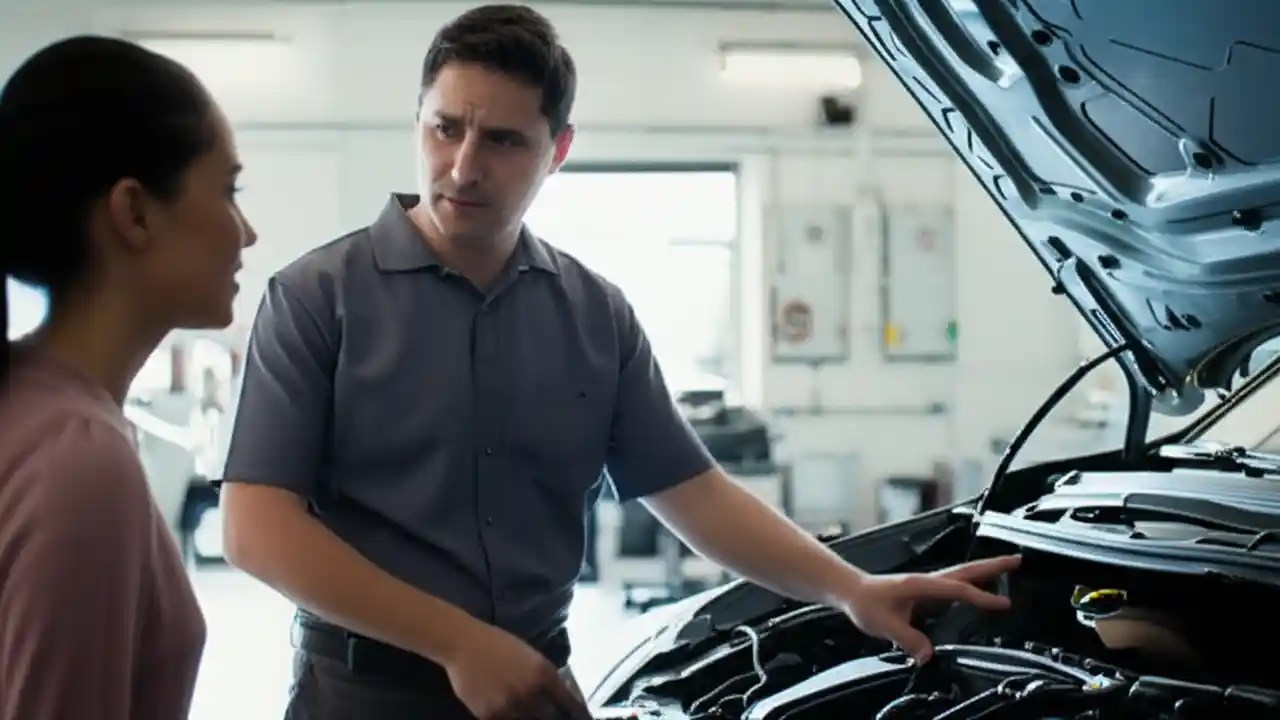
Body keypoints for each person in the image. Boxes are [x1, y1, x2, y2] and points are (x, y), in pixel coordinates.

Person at [218, 4, 1021, 719]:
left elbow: (692, 491)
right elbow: (257, 529)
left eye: (502, 140)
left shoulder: (594, 314)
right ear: (417, 121)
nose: (464, 166)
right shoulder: (317, 297)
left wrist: (850, 587)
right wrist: (461, 645)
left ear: (557, 149)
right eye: (445, 128)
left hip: (535, 687)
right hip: (362, 695)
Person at [0, 35, 257, 720]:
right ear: (134, 212)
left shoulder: (31, 412)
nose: (248, 232)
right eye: (229, 192)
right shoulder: (79, 460)